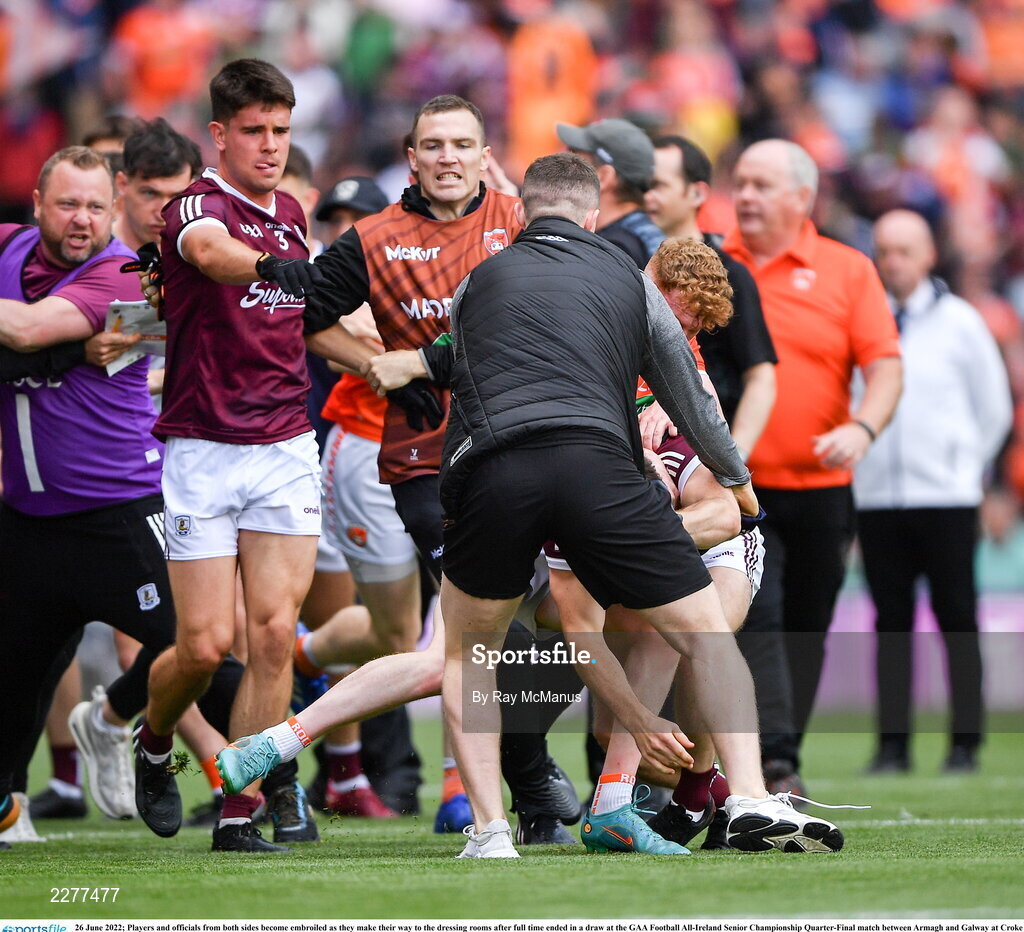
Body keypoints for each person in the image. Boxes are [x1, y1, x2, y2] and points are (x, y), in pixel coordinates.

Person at [436, 152, 846, 859]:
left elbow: (461, 386)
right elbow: (689, 394)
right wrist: (736, 474)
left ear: (521, 213)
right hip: (600, 467)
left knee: (468, 655)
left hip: (498, 470)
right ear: (593, 216)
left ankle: (490, 831)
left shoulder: (478, 281)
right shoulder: (625, 278)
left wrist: (458, 489)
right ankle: (745, 795)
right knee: (705, 634)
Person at [131, 58, 364, 853]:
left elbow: (301, 317)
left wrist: (387, 363)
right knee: (202, 647)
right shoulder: (195, 206)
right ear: (219, 134)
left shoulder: (293, 209)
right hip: (202, 449)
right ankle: (155, 739)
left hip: (284, 447)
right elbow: (210, 254)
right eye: (255, 131)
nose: (270, 146)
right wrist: (280, 266)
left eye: (281, 131)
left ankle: (240, 806)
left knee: (272, 636)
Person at [0, 146, 175, 844]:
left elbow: (30, 332)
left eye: (95, 206)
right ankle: (11, 801)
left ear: (116, 204)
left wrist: (56, 352)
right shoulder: (12, 249)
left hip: (121, 505)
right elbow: (45, 349)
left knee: (199, 649)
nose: (82, 219)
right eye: (68, 203)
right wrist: (68, 354)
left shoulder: (136, 276)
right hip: (27, 513)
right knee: (18, 672)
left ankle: (258, 788)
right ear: (37, 203)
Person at [721, 139, 903, 791]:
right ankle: (774, 761)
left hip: (825, 488)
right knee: (758, 617)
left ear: (804, 198)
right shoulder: (714, 264)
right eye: (740, 183)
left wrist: (863, 426)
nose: (744, 196)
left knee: (808, 627)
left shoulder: (848, 269)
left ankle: (781, 751)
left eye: (761, 185)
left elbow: (883, 365)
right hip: (741, 488)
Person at [856, 209, 1012, 774]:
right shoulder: (865, 319)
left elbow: (993, 407)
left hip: (946, 496)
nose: (892, 261)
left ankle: (964, 743)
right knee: (889, 623)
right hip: (878, 498)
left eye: (903, 250)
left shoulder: (961, 322)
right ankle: (892, 746)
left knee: (956, 617)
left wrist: (964, 468)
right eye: (884, 250)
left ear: (927, 255)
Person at [642, 135, 776, 460]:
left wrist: (732, 458)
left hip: (698, 445)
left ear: (697, 193)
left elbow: (760, 376)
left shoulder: (730, 273)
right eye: (644, 185)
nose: (647, 197)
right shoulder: (626, 256)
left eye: (659, 185)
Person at [556, 117, 663, 268]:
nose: (563, 168)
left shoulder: (615, 249)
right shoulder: (639, 236)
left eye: (574, 159)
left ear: (604, 177)